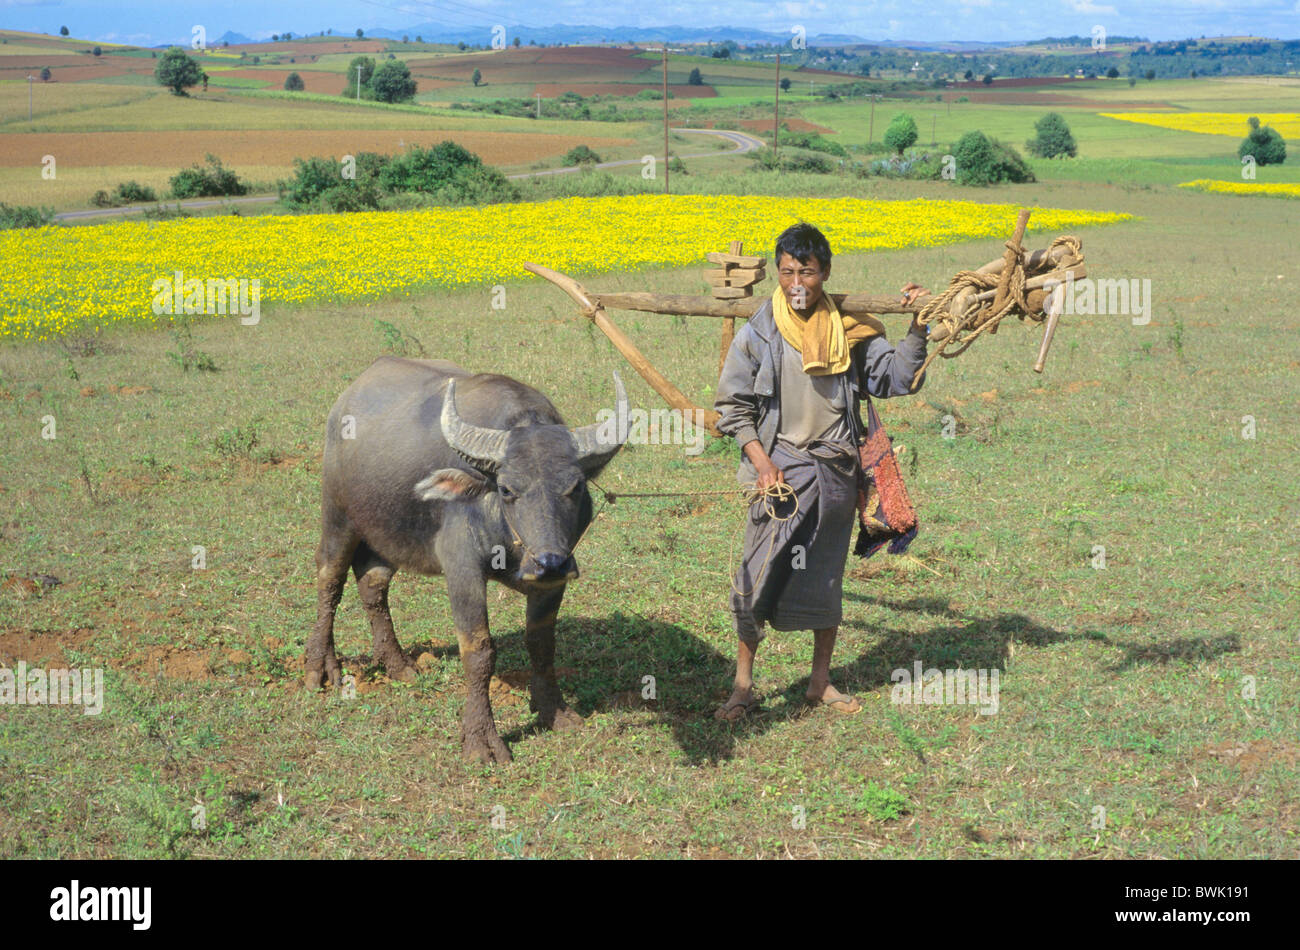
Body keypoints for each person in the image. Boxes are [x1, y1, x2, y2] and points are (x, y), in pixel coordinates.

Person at [712, 222, 929, 720]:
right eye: (787, 271)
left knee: (827, 576)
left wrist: (918, 328)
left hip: (836, 469)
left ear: (824, 273)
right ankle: (742, 687)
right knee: (756, 574)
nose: (795, 283)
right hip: (781, 474)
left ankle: (819, 683)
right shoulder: (759, 332)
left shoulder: (853, 330)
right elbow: (733, 407)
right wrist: (762, 463)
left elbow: (896, 378)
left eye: (806, 272)